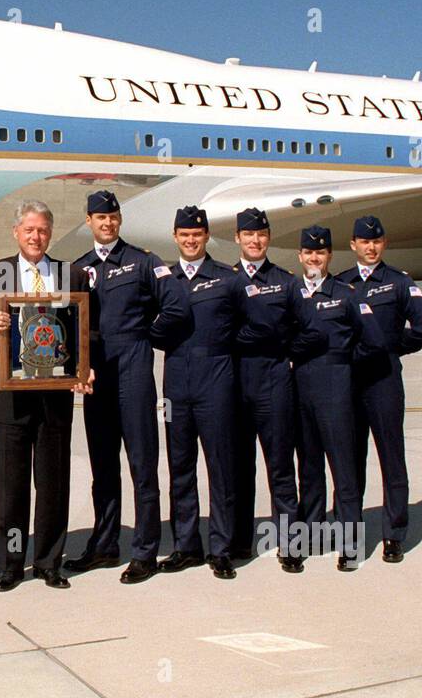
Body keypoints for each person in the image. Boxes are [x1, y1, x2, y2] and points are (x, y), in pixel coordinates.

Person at [66, 190, 190, 584]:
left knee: (142, 465)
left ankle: (145, 550)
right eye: (100, 218)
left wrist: (146, 337)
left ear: (119, 220)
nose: (107, 223)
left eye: (113, 217)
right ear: (89, 221)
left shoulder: (142, 262)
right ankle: (104, 545)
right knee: (103, 467)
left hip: (134, 371)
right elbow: (66, 322)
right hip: (95, 376)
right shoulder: (78, 269)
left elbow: (176, 306)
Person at [0, 200, 92, 592]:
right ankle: (10, 565)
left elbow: (83, 329)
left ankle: (49, 562)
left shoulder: (70, 274)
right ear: (16, 233)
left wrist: (84, 365)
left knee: (53, 484)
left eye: (42, 231)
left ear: (50, 234)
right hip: (9, 397)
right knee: (11, 487)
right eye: (29, 230)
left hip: (54, 396)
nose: (36, 237)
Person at [336, 215, 422, 564]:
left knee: (391, 457)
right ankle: (349, 537)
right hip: (348, 381)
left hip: (383, 379)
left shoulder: (398, 282)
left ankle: (394, 534)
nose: (371, 247)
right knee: (349, 461)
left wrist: (392, 346)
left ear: (384, 244)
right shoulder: (341, 283)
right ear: (353, 245)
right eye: (364, 242)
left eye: (376, 242)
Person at [228, 207, 322, 573]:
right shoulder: (227, 280)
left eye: (261, 235)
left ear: (268, 238)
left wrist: (285, 351)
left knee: (281, 467)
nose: (255, 241)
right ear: (237, 238)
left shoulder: (285, 282)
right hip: (235, 385)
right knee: (238, 469)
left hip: (273, 383)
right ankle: (238, 540)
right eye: (248, 235)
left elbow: (314, 330)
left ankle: (290, 544)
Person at [291, 225, 383, 570]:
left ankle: (350, 544)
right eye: (309, 253)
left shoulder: (347, 294)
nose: (314, 258)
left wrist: (343, 362)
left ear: (330, 256)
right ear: (300, 256)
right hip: (301, 389)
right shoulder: (292, 292)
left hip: (336, 389)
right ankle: (311, 536)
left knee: (343, 469)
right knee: (309, 469)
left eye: (321, 253)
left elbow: (373, 341)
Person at [160, 205, 239, 580]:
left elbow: (249, 324)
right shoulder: (163, 278)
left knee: (220, 466)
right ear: (175, 237)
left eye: (197, 234)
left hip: (216, 381)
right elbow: (147, 324)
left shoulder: (226, 278)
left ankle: (220, 547)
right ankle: (186, 545)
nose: (191, 240)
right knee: (179, 466)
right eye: (184, 234)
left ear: (206, 236)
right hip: (175, 383)